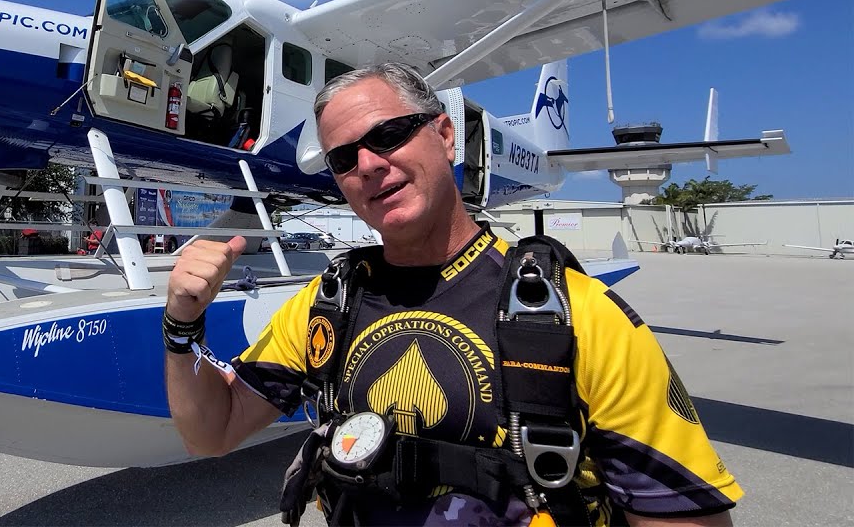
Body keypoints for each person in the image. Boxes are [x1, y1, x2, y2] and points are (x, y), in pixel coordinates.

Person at [164, 63, 740, 526]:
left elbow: (683, 518)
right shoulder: (326, 303)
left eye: (388, 135)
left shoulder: (575, 315)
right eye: (343, 158)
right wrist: (182, 326)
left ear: (445, 134)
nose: (367, 164)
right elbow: (212, 432)